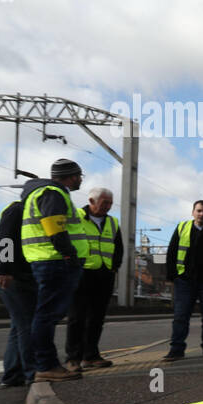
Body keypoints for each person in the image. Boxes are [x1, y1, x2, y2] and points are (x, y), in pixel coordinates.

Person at [20, 159, 89, 382]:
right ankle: (46, 365)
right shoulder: (53, 193)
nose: (80, 180)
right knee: (47, 316)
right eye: (79, 176)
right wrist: (69, 255)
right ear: (71, 176)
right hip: (55, 261)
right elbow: (55, 229)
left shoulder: (40, 193)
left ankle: (43, 364)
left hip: (47, 260)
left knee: (46, 315)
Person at [162, 200, 203, 361]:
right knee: (180, 316)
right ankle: (176, 350)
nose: (202, 214)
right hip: (184, 280)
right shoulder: (182, 228)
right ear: (193, 212)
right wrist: (172, 275)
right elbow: (172, 252)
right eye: (199, 211)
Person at [65, 187, 122, 371]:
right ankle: (73, 358)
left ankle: (91, 356)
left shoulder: (113, 222)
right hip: (82, 273)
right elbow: (65, 240)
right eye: (104, 202)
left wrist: (114, 267)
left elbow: (118, 247)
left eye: (110, 203)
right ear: (91, 201)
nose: (108, 207)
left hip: (104, 274)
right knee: (76, 317)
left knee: (97, 318)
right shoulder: (75, 217)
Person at [0, 199, 36, 387]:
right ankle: (32, 372)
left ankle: (13, 374)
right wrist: (5, 269)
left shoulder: (32, 213)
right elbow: (6, 238)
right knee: (26, 323)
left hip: (19, 274)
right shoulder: (17, 210)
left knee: (19, 325)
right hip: (10, 275)